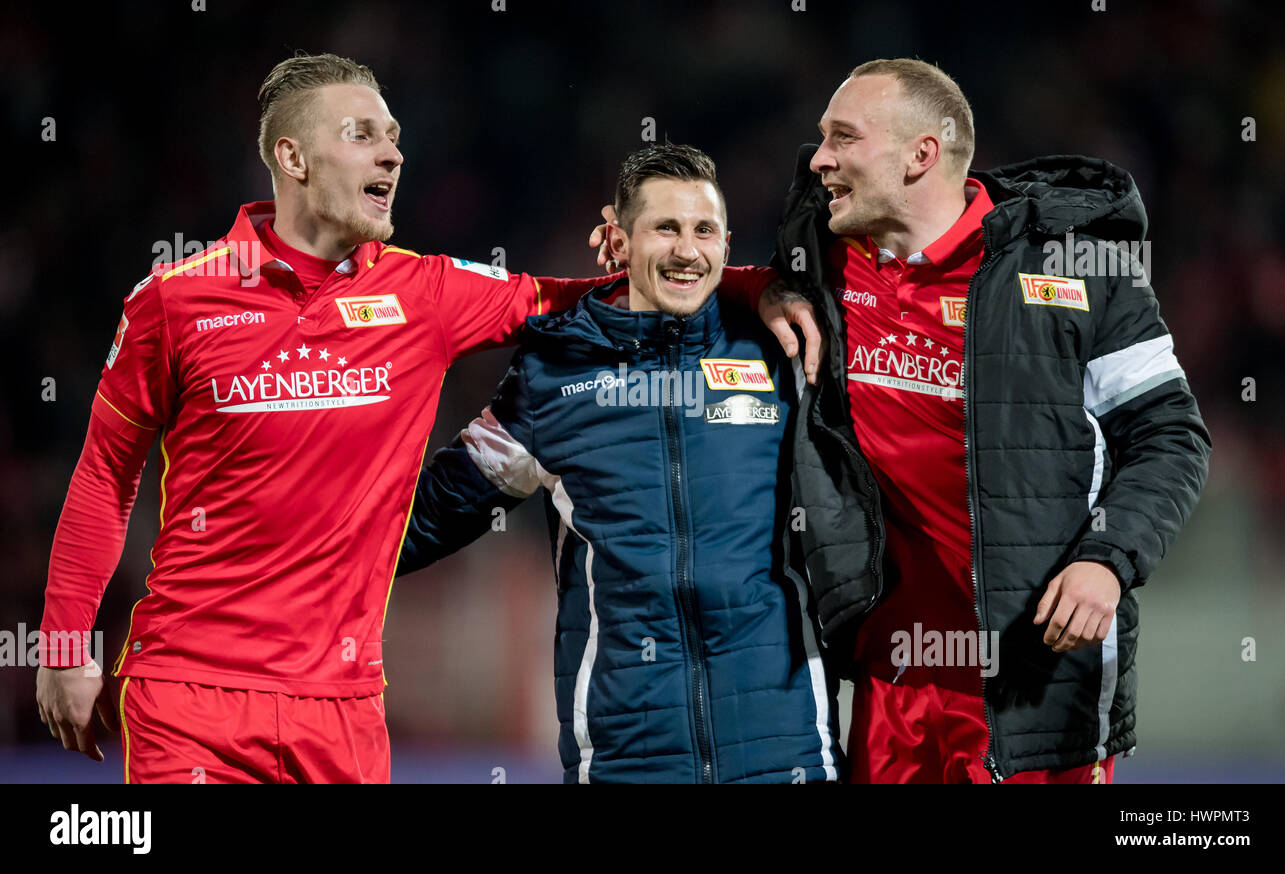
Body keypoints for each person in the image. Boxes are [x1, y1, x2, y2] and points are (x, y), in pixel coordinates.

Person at [34, 53, 810, 784]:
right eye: (363, 135)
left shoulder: (426, 294)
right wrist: (66, 645)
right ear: (292, 157)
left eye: (395, 137)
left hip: (343, 706)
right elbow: (104, 475)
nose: (394, 154)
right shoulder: (173, 301)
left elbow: (603, 293)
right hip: (190, 691)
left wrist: (754, 285)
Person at [773, 59, 1212, 782]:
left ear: (922, 154)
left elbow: (1171, 437)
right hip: (894, 683)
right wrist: (755, 292)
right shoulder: (823, 260)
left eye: (843, 138)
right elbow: (695, 283)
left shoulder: (1080, 270)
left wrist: (1108, 559)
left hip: (1036, 688)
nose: (820, 158)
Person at [397, 144, 843, 783]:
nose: (688, 251)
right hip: (626, 755)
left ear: (726, 246)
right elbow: (429, 514)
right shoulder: (555, 375)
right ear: (619, 242)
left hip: (784, 748)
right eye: (666, 228)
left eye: (704, 231)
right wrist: (285, 562)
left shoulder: (781, 354)